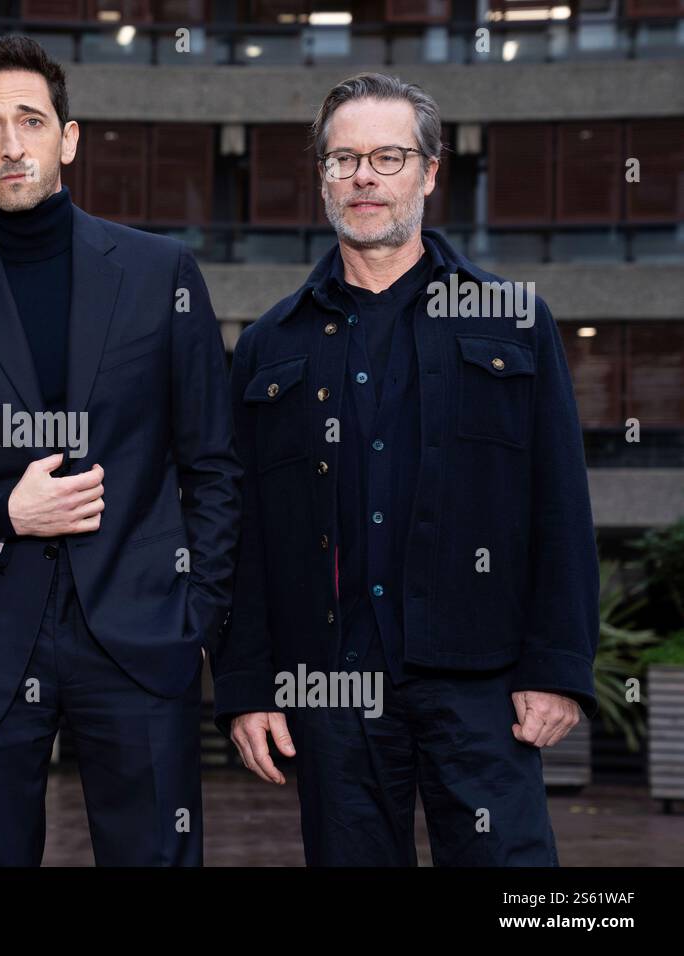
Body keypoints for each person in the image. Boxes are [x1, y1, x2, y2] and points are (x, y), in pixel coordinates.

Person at [0, 36, 241, 866]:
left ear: (68, 138)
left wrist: (195, 616)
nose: (11, 143)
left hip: (142, 635)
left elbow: (214, 464)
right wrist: (2, 514)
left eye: (30, 120)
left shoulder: (161, 273)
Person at [215, 73, 599, 865]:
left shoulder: (514, 321)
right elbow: (246, 534)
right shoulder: (270, 344)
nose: (364, 176)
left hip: (483, 682)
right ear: (322, 177)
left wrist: (558, 667)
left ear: (428, 173)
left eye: (388, 157)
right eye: (343, 158)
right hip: (331, 686)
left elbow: (560, 502)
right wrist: (247, 687)